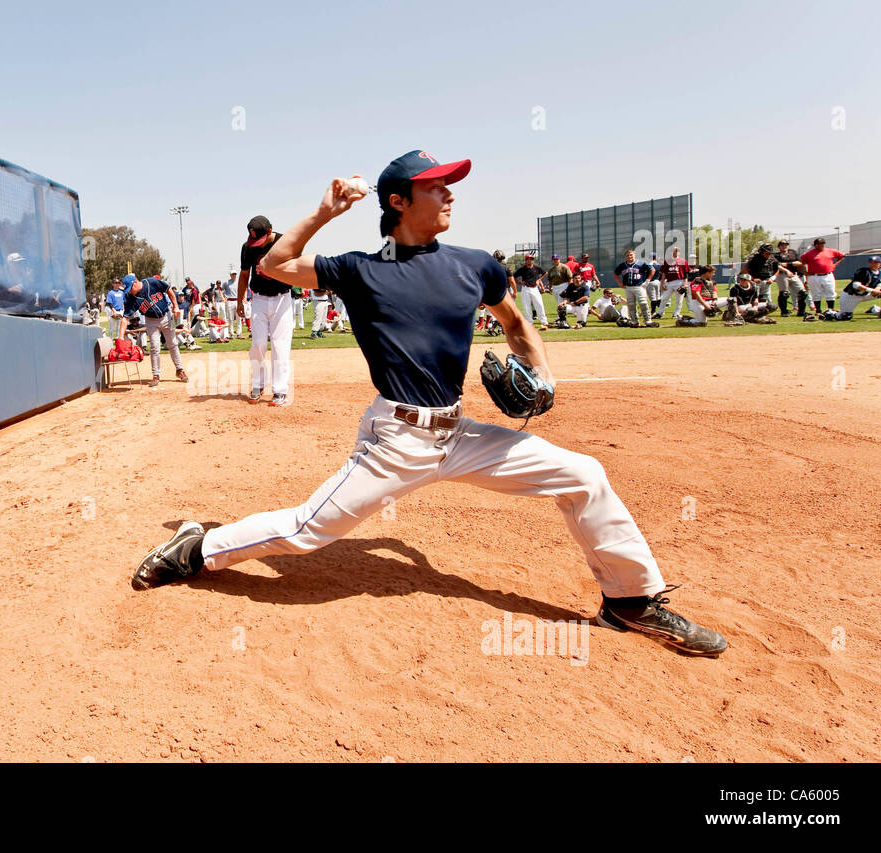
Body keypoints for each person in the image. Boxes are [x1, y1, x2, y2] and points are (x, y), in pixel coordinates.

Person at [130, 149, 727, 657]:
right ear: (397, 202)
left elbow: (516, 324)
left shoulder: (476, 266)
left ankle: (629, 601)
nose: (449, 194)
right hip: (397, 441)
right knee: (309, 530)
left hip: (459, 435)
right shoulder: (359, 270)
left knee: (584, 475)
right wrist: (325, 212)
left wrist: (542, 374)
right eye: (435, 186)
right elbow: (275, 265)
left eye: (449, 185)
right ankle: (195, 546)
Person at [237, 215, 295, 407]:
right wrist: (240, 301)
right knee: (258, 344)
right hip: (259, 299)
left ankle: (280, 391)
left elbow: (296, 267)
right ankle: (258, 384)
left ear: (270, 231)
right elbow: (245, 274)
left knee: (280, 346)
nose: (256, 244)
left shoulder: (284, 242)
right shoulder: (247, 248)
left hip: (282, 298)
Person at [120, 276, 189, 388]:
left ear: (135, 283)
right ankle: (156, 375)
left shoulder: (151, 282)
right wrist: (121, 337)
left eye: (130, 289)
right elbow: (125, 318)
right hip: (151, 321)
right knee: (155, 347)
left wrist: (176, 307)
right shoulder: (131, 298)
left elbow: (168, 289)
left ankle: (179, 370)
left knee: (173, 344)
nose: (129, 292)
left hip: (166, 316)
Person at [800, 237, 846, 318]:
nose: (821, 245)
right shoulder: (809, 254)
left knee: (830, 292)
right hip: (814, 276)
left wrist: (835, 264)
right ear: (815, 245)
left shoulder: (830, 251)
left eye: (822, 243)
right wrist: (806, 273)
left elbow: (842, 256)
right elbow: (803, 262)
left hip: (828, 275)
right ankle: (818, 310)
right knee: (816, 293)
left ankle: (830, 309)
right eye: (818, 244)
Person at [613, 249, 658, 327]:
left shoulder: (641, 263)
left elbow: (652, 270)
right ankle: (635, 321)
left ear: (634, 255)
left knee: (643, 303)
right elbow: (615, 274)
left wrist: (648, 280)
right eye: (628, 255)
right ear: (625, 257)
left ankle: (648, 320)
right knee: (630, 304)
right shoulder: (623, 265)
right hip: (628, 287)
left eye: (631, 255)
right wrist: (620, 283)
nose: (630, 256)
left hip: (639, 286)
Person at [513, 253, 549, 330]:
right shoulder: (522, 269)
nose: (530, 260)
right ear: (526, 260)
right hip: (526, 288)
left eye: (531, 259)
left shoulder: (536, 268)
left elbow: (545, 273)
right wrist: (519, 282)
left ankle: (544, 322)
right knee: (526, 307)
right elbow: (513, 276)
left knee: (540, 305)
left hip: (535, 288)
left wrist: (539, 279)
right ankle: (529, 323)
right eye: (528, 259)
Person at [772, 239, 807, 317]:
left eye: (786, 245)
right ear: (779, 247)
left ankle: (801, 312)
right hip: (782, 274)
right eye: (782, 245)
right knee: (784, 293)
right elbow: (777, 265)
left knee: (803, 293)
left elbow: (799, 262)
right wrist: (787, 268)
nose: (784, 246)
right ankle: (784, 311)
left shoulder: (792, 252)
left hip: (793, 274)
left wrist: (787, 264)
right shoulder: (775, 255)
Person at [656, 246, 691, 319]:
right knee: (664, 298)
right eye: (673, 250)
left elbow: (686, 273)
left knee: (679, 300)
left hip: (680, 282)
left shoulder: (683, 261)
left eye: (676, 250)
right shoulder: (667, 261)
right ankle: (659, 313)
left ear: (679, 252)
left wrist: (685, 283)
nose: (675, 252)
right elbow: (663, 273)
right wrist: (663, 283)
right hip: (669, 282)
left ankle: (676, 314)